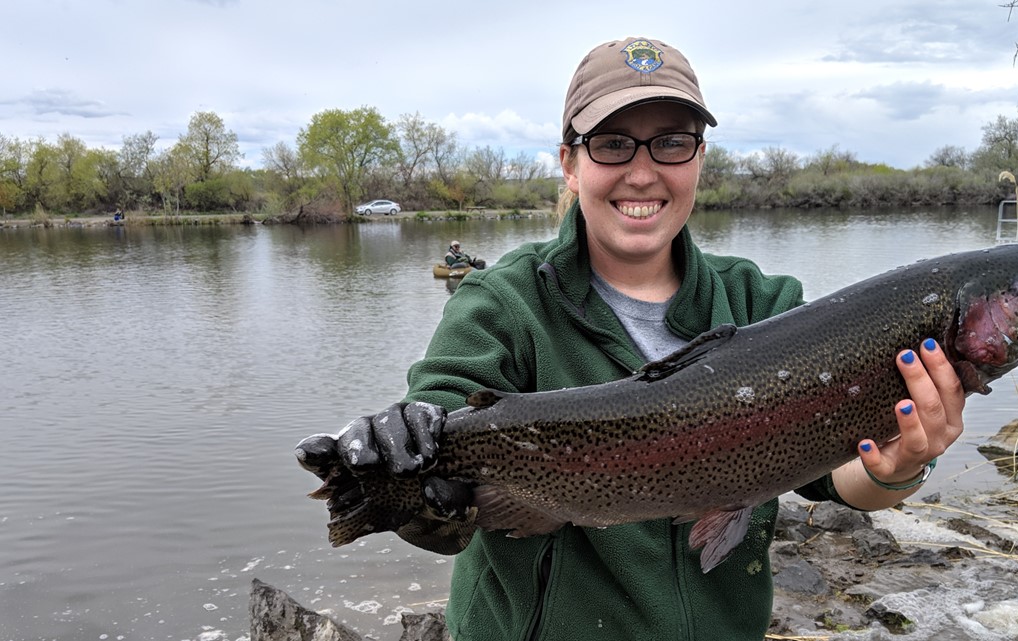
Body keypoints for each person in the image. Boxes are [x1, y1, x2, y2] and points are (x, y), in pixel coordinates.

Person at [297, 36, 965, 640]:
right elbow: (443, 500)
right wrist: (404, 466)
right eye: (613, 143)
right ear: (569, 162)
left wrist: (901, 462)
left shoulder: (768, 306)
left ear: (699, 158)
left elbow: (837, 479)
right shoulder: (501, 303)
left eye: (671, 142)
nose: (643, 171)